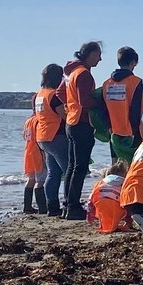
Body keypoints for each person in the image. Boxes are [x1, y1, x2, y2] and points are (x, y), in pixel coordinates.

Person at [61, 41, 104, 220]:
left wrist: (70, 106)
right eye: (98, 55)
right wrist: (102, 102)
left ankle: (68, 205)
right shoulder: (83, 74)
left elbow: (59, 93)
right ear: (89, 54)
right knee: (80, 167)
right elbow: (85, 101)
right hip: (81, 123)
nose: (100, 59)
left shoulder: (72, 73)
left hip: (71, 122)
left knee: (72, 166)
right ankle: (72, 207)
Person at [32, 64, 67, 216]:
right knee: (68, 171)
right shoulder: (54, 95)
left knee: (53, 173)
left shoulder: (39, 94)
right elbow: (65, 115)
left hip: (42, 137)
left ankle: (52, 206)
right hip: (56, 136)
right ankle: (69, 203)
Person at [103, 47, 143, 164]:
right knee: (133, 167)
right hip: (131, 132)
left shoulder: (107, 84)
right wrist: (136, 134)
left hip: (114, 132)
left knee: (116, 166)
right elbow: (135, 109)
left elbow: (104, 109)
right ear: (133, 63)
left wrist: (109, 129)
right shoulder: (136, 82)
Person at [86, 161, 132, 234]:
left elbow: (91, 199)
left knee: (102, 204)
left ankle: (103, 225)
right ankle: (126, 224)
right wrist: (129, 220)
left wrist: (90, 214)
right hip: (116, 205)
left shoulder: (100, 182)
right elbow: (127, 203)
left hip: (100, 203)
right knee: (126, 203)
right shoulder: (124, 183)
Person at [22, 112, 47, 214]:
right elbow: (40, 137)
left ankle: (27, 206)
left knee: (31, 179)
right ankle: (42, 207)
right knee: (40, 180)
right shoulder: (38, 121)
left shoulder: (28, 121)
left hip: (28, 152)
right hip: (38, 152)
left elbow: (25, 136)